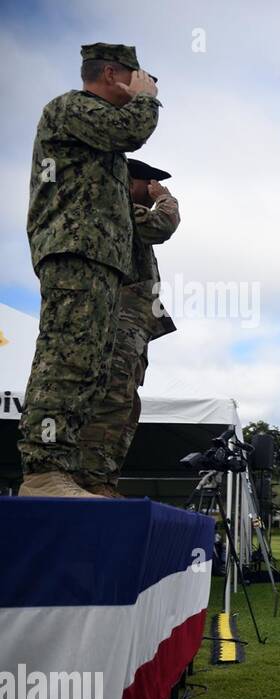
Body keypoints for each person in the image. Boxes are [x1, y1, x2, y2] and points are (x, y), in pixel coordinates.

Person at [19, 43, 161, 497]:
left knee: (92, 370)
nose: (142, 84)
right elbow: (132, 130)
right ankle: (43, 467)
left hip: (101, 263)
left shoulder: (101, 139)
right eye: (135, 76)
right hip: (73, 253)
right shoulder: (72, 109)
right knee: (66, 358)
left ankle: (75, 472)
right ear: (111, 73)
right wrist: (146, 98)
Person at [74, 158, 179, 494]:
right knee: (112, 398)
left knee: (126, 402)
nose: (153, 187)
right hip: (116, 318)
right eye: (147, 182)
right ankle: (92, 480)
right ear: (129, 181)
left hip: (132, 322)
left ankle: (104, 479)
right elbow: (162, 225)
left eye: (156, 184)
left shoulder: (128, 212)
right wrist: (166, 199)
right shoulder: (115, 204)